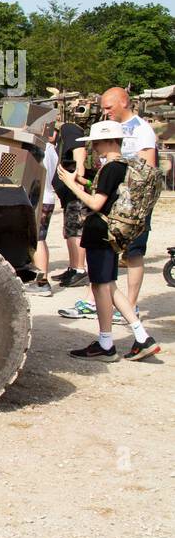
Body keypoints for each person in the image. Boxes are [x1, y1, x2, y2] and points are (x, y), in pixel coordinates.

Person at [56, 120, 159, 361]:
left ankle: (107, 343)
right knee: (109, 286)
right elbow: (109, 193)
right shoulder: (123, 166)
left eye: (97, 143)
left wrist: (72, 184)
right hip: (111, 233)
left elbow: (96, 203)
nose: (94, 148)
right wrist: (85, 183)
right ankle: (141, 336)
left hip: (100, 232)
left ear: (110, 141)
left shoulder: (111, 167)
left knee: (102, 286)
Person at [101, 85, 158, 310]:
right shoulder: (112, 128)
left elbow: (148, 168)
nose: (106, 111)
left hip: (134, 202)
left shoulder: (141, 130)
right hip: (113, 199)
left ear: (123, 102)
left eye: (109, 106)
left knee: (133, 253)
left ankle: (131, 304)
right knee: (106, 248)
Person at [52, 111, 90, 289]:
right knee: (70, 231)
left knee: (77, 231)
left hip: (75, 192)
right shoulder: (61, 135)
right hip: (68, 193)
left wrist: (79, 178)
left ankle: (80, 270)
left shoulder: (69, 129)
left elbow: (79, 150)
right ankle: (73, 267)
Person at [25, 121, 59, 296]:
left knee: (38, 240)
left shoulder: (38, 148)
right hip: (47, 196)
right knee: (41, 239)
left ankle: (42, 282)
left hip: (39, 197)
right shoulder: (51, 148)